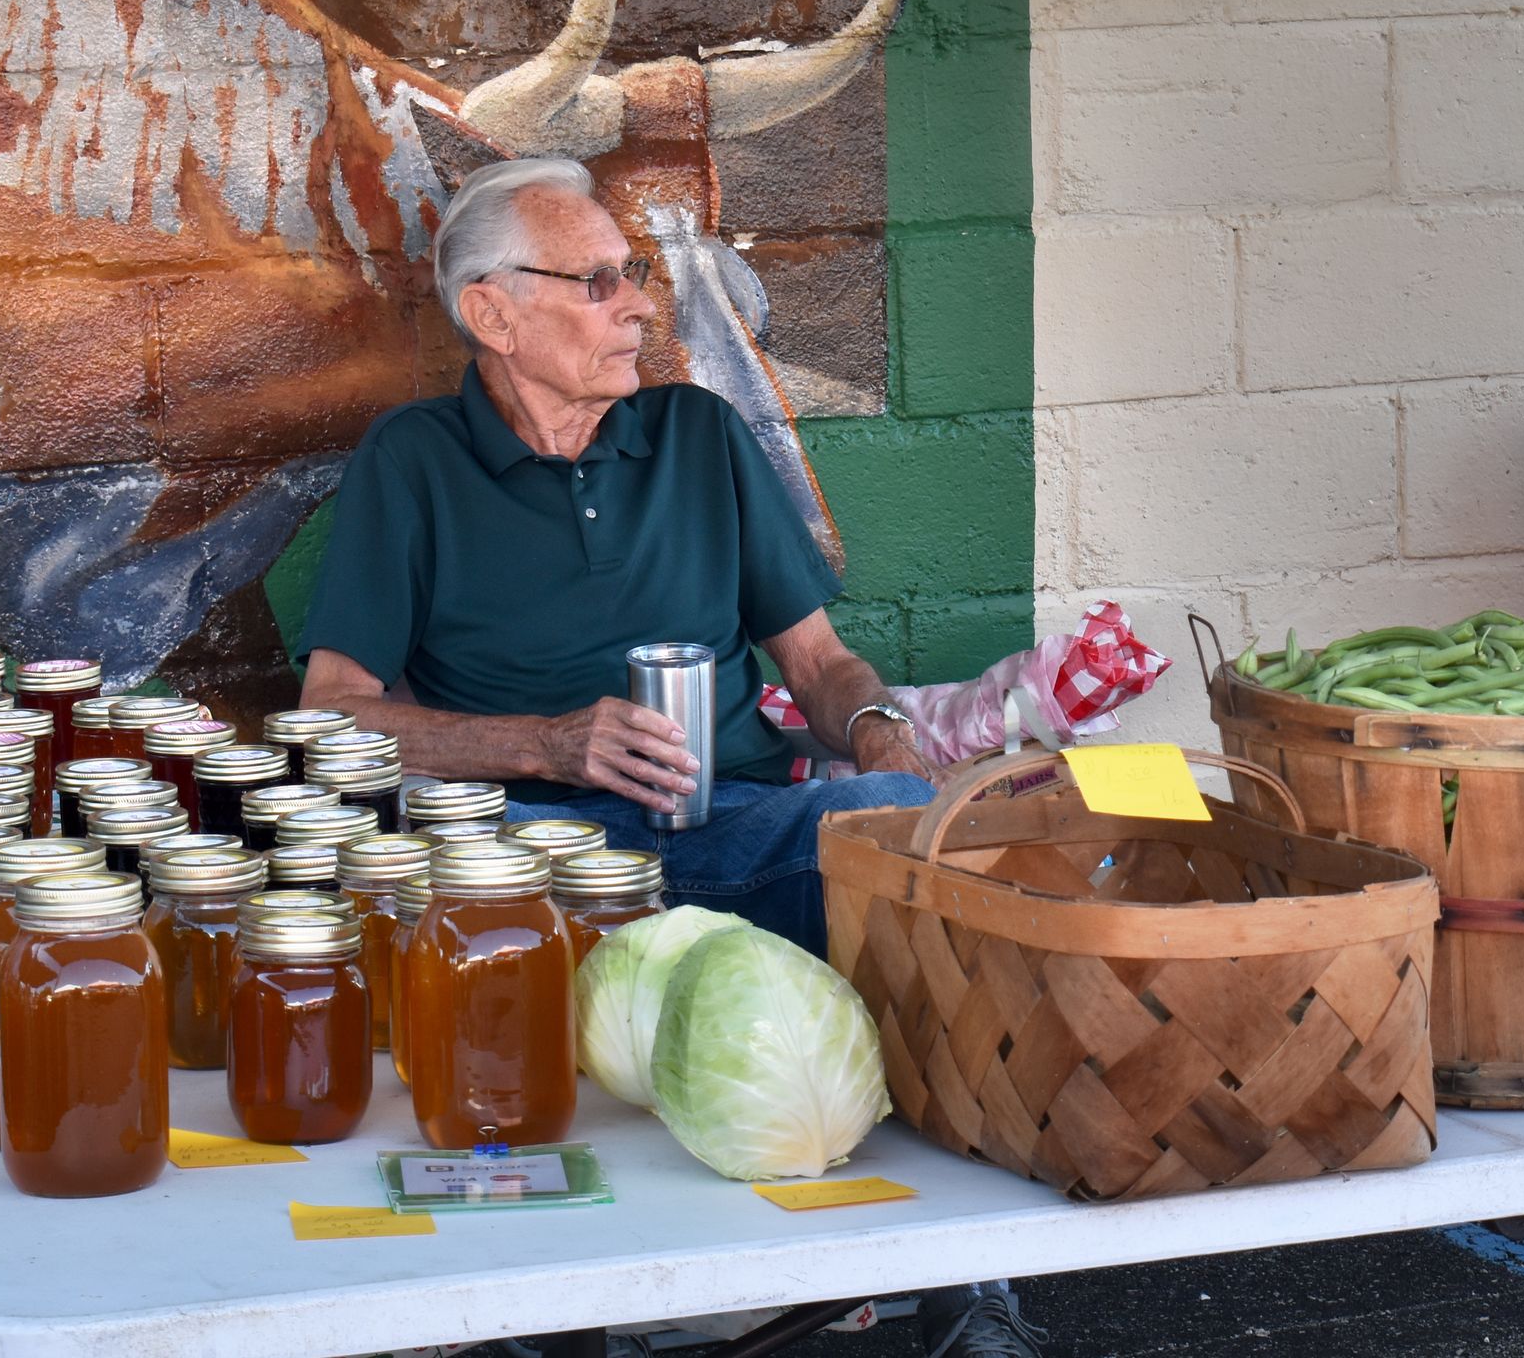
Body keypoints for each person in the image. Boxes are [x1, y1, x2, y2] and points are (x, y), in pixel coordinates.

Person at [295, 157, 1042, 1358]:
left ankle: (972, 1289)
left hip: (735, 827)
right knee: (493, 968)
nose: (639, 303)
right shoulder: (414, 461)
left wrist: (882, 740)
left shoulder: (696, 435)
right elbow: (336, 711)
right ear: (492, 312)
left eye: (632, 273)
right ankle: (550, 1316)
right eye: (598, 281)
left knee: (911, 844)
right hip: (532, 860)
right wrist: (544, 740)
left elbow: (820, 660)